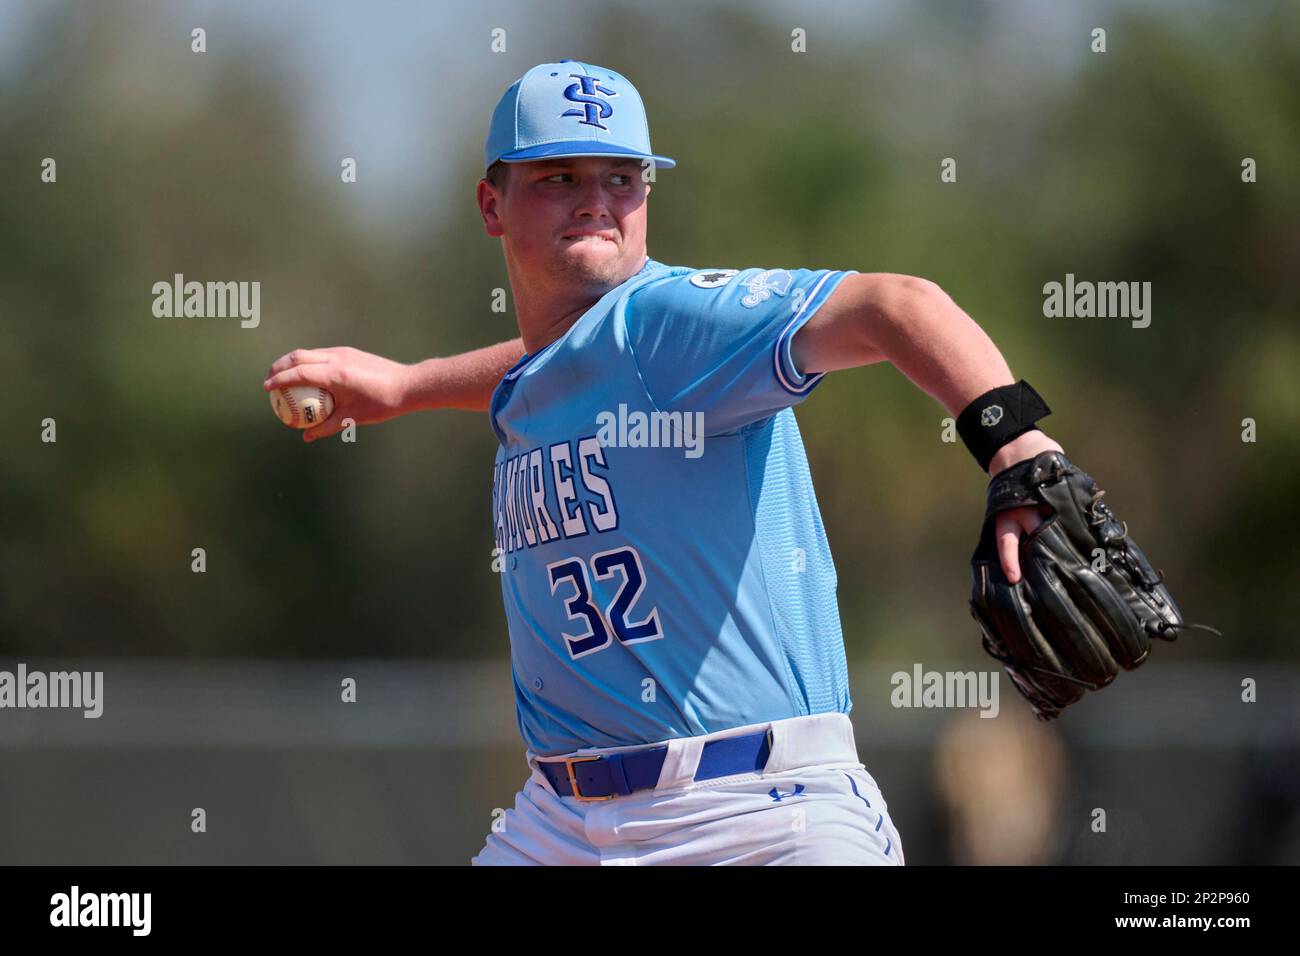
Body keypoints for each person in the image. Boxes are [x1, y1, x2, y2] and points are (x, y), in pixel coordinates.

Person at [263, 60, 1062, 865]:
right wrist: (403, 387)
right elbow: (545, 370)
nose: (596, 200)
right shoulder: (550, 371)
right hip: (561, 823)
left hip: (756, 815)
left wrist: (1018, 446)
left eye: (622, 177)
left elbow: (897, 306)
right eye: (559, 176)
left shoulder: (676, 322)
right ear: (490, 204)